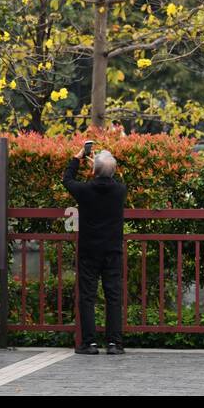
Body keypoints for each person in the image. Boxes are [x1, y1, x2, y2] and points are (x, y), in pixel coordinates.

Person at [62, 141, 126, 356]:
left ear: (93, 171)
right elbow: (111, 178)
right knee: (113, 296)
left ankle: (89, 343)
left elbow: (67, 179)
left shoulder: (84, 190)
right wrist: (99, 167)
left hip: (89, 250)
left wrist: (78, 158)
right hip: (113, 250)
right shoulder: (120, 190)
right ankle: (114, 344)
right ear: (114, 171)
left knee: (87, 296)